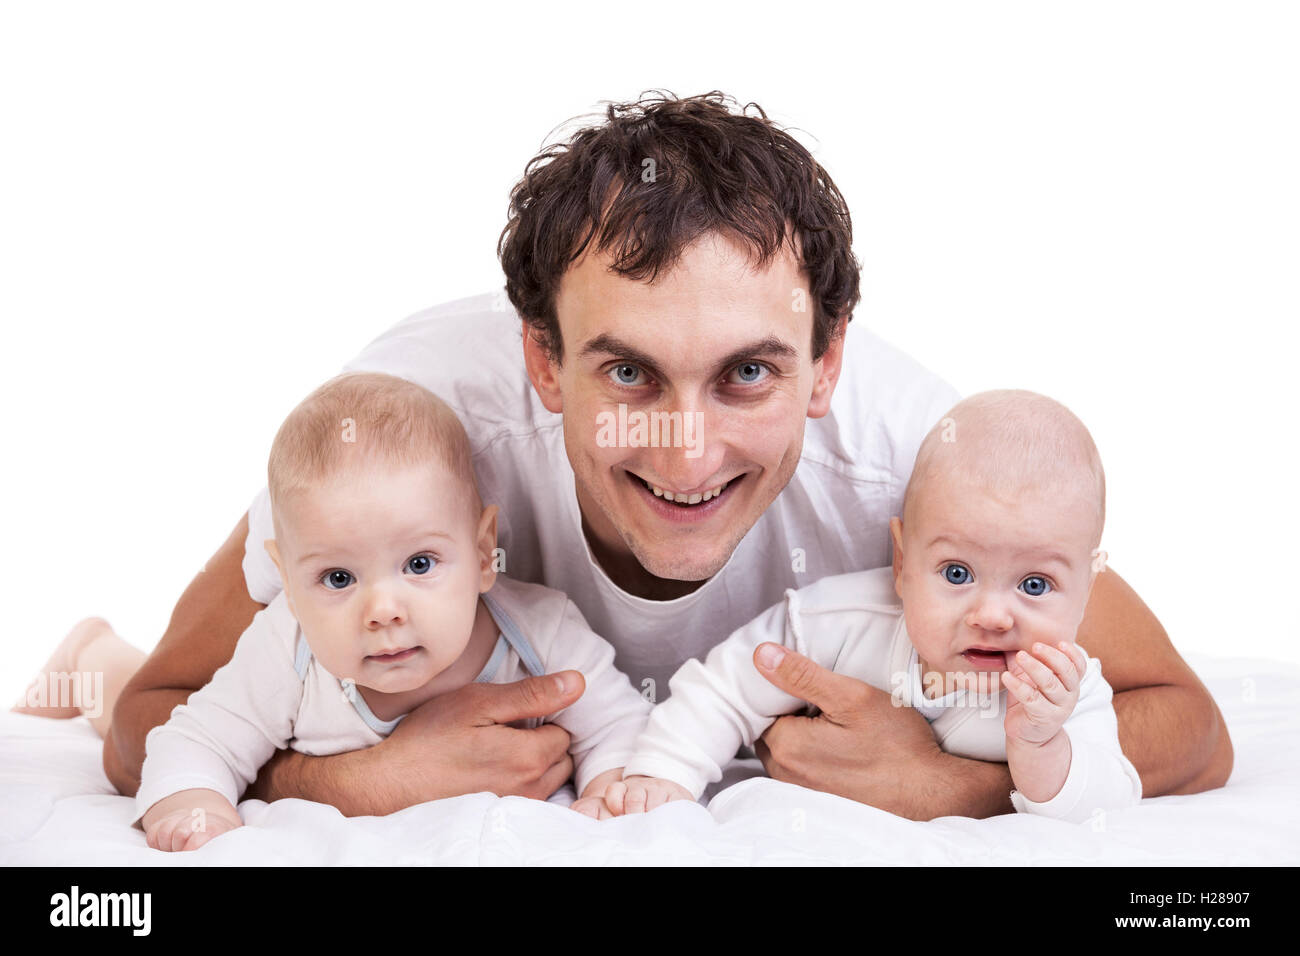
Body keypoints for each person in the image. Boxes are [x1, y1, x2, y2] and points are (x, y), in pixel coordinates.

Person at [92, 90, 1229, 820]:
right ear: (543, 360)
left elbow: (1188, 717)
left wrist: (965, 782)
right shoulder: (411, 434)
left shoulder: (924, 465)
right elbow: (156, 709)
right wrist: (339, 777)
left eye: (748, 372)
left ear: (827, 363)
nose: (685, 452)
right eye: (626, 370)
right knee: (138, 675)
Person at [134, 372, 655, 850]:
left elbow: (619, 726)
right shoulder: (286, 650)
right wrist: (193, 803)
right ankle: (95, 651)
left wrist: (608, 785)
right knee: (119, 684)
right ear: (289, 583)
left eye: (420, 563)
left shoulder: (542, 631)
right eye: (338, 578)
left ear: (481, 554)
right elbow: (199, 739)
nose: (383, 611)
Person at [606, 391, 1143, 823]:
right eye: (957, 574)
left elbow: (1104, 808)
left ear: (1086, 592)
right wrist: (665, 773)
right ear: (902, 564)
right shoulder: (841, 622)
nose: (994, 615)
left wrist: (1043, 745)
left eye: (1034, 584)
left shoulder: (1067, 694)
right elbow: (726, 685)